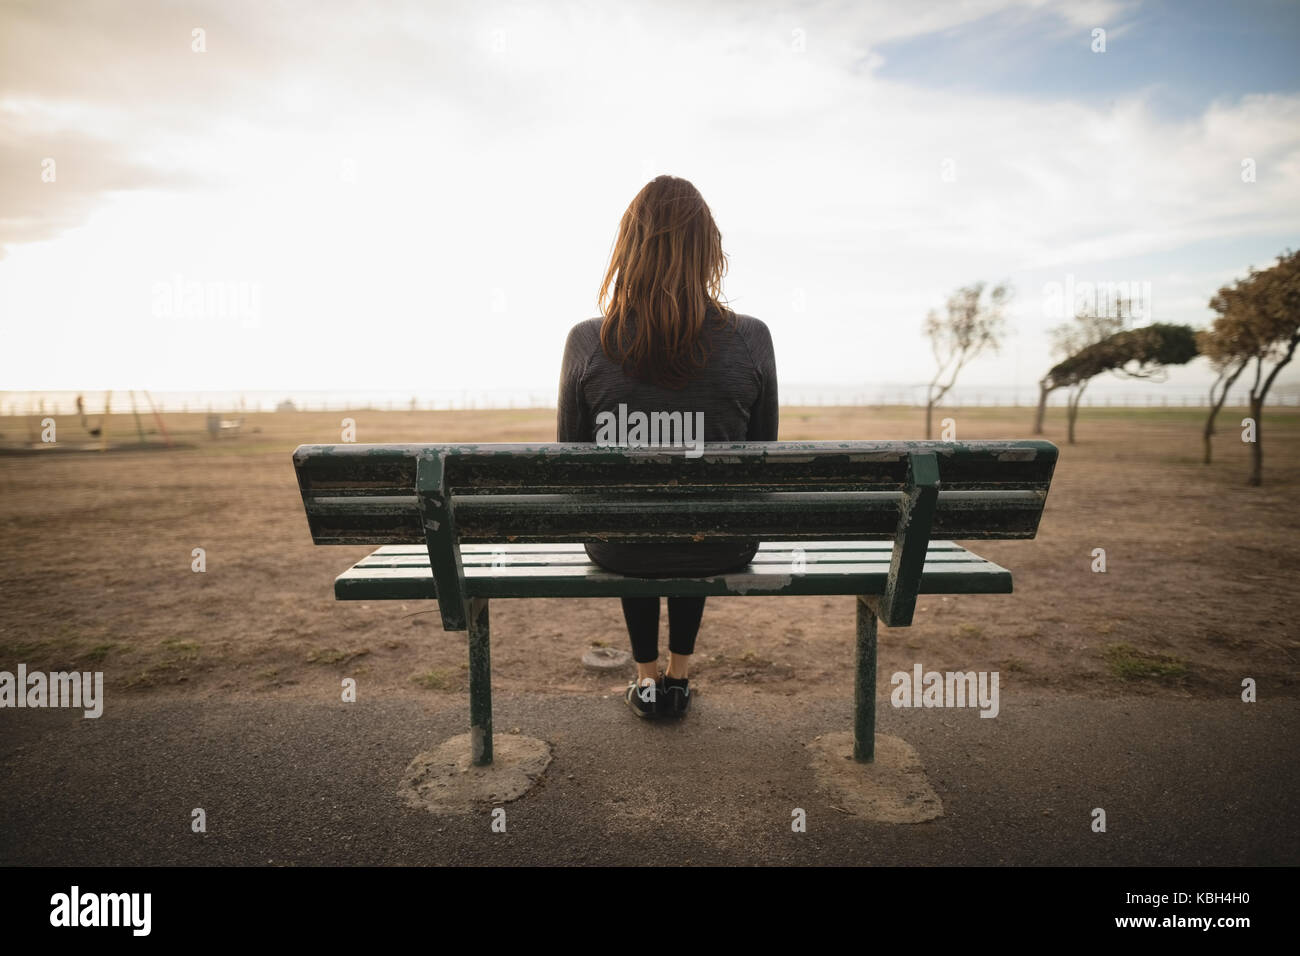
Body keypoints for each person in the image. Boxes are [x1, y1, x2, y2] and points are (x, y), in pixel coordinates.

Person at [557, 175, 778, 720]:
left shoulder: (588, 340)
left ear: (628, 250)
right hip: (722, 544)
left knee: (632, 512)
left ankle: (647, 679)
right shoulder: (752, 337)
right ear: (709, 251)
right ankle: (677, 677)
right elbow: (763, 454)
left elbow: (571, 459)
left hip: (620, 546)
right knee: (702, 509)